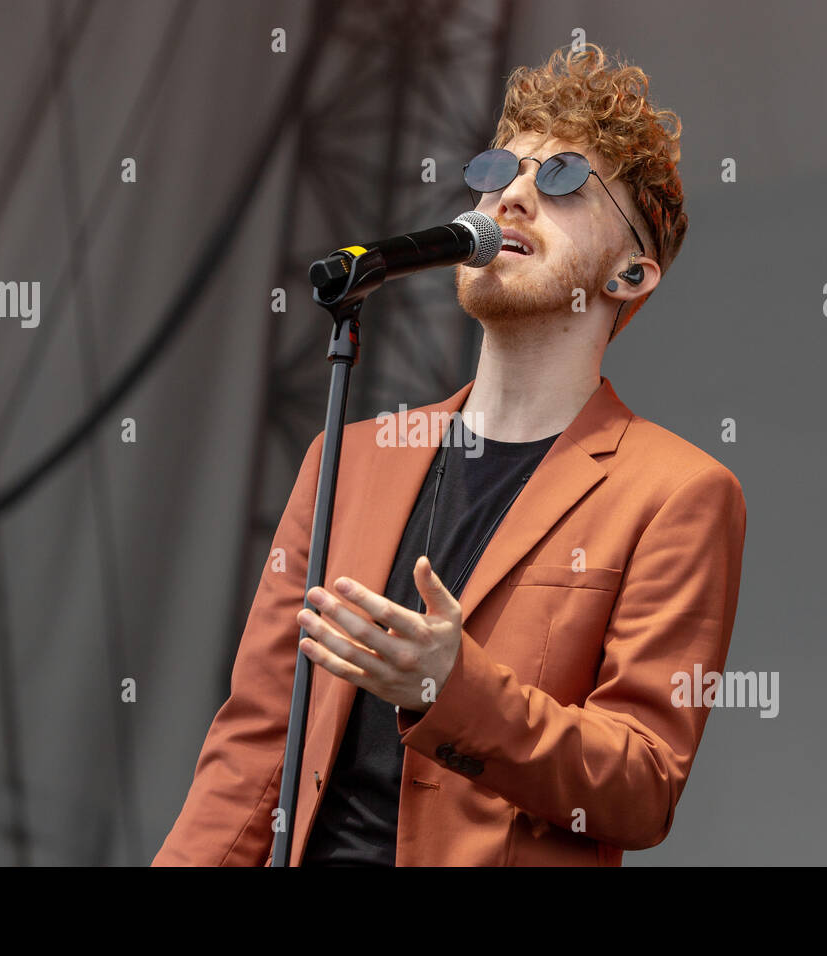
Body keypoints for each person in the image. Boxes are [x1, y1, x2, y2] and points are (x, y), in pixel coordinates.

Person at [152, 42, 746, 867]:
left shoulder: (678, 492)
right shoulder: (347, 459)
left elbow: (642, 784)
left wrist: (453, 691)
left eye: (567, 178)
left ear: (630, 275)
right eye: (502, 167)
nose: (514, 195)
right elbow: (255, 742)